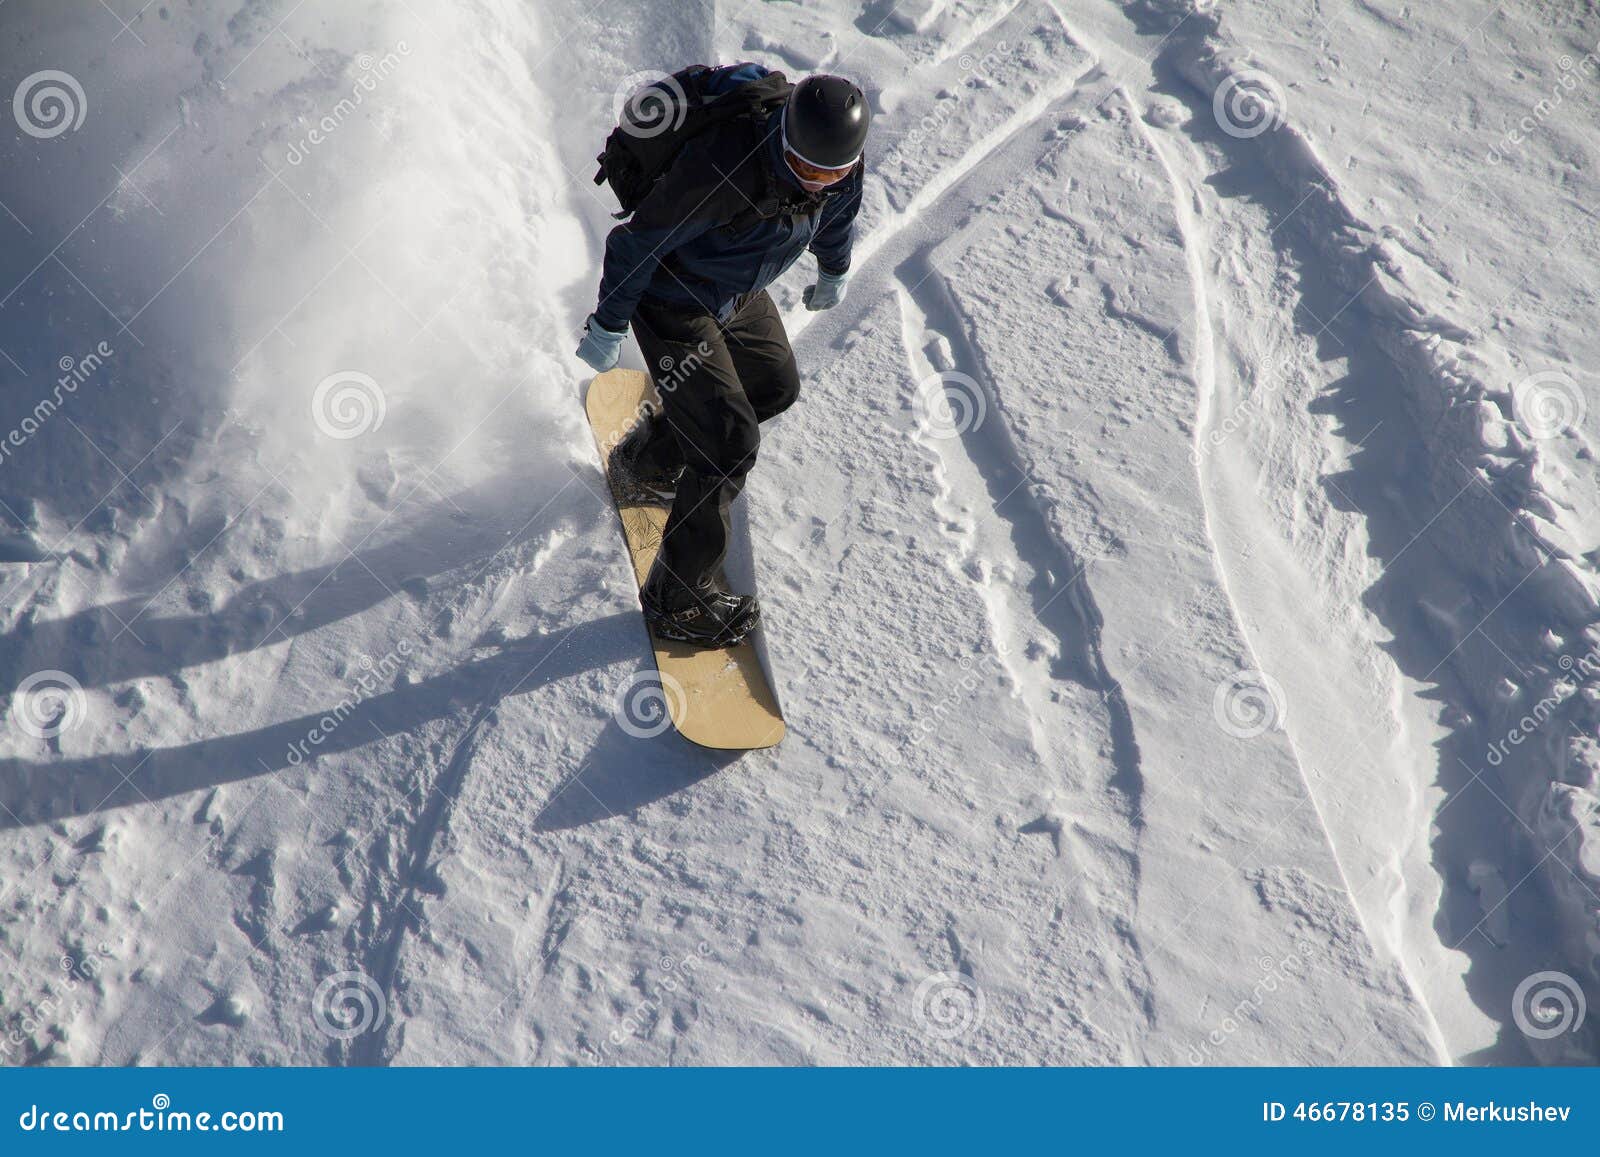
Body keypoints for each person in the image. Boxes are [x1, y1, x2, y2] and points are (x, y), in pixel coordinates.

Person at [576, 65, 869, 647]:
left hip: (735, 292)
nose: (816, 181)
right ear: (785, 137)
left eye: (830, 171)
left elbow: (837, 211)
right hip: (672, 297)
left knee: (772, 386)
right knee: (729, 443)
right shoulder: (723, 170)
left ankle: (651, 458)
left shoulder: (836, 169)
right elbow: (636, 242)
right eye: (806, 166)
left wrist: (834, 267)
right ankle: (677, 601)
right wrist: (609, 325)